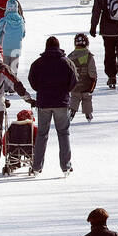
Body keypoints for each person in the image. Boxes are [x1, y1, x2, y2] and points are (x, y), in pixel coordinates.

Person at [26, 35, 74, 174]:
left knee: (42, 134)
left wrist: (41, 90)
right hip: (61, 102)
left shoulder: (38, 63)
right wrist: (65, 91)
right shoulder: (66, 62)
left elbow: (32, 80)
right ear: (58, 47)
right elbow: (73, 80)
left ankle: (36, 167)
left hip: (44, 102)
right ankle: (65, 166)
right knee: (63, 133)